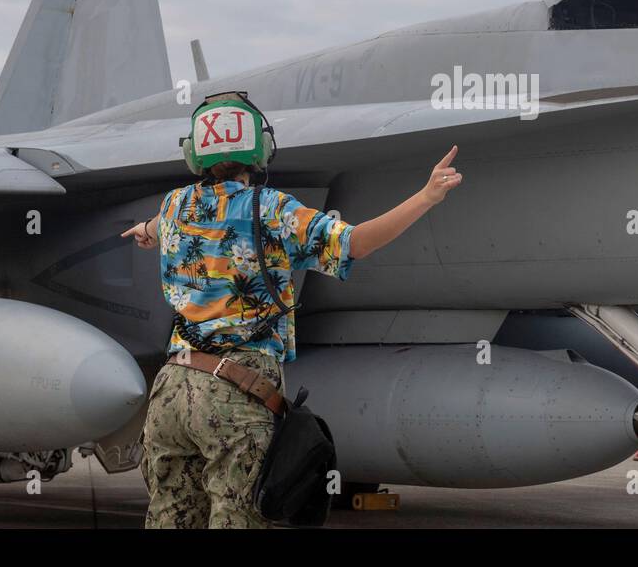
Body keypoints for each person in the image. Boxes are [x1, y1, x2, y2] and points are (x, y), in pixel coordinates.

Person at [121, 90, 462, 528]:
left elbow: (156, 225)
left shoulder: (175, 205)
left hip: (171, 391)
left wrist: (146, 231)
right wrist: (427, 197)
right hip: (236, 393)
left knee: (169, 518)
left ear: (194, 154)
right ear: (259, 150)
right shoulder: (273, 210)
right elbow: (354, 243)